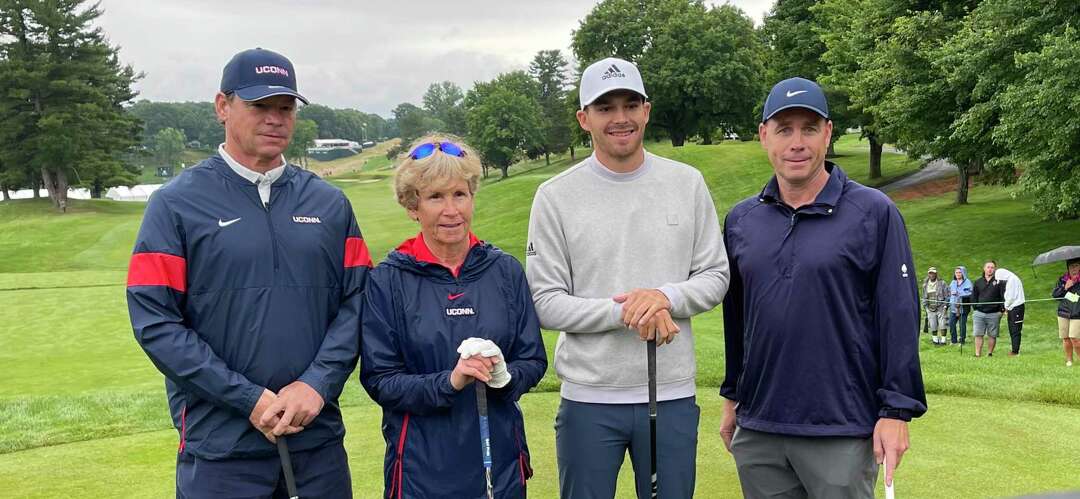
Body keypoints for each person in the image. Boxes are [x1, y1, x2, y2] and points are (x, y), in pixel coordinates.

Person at [126, 48, 369, 497]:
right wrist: (247, 398)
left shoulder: (329, 204)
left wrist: (316, 385)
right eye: (259, 106)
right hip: (220, 447)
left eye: (285, 108)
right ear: (223, 106)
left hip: (315, 442)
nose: (275, 119)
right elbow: (155, 322)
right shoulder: (176, 203)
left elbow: (358, 304)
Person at [525, 57, 729, 499]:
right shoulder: (555, 196)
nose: (620, 118)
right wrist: (626, 311)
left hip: (671, 393)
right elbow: (545, 301)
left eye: (630, 104)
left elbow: (715, 275)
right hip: (588, 399)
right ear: (584, 119)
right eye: (605, 107)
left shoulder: (687, 183)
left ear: (646, 110)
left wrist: (664, 297)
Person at [720, 77, 927, 499]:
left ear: (827, 133)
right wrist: (732, 396)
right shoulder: (741, 221)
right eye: (784, 129)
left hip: (843, 429)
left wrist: (896, 411)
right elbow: (737, 320)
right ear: (764, 136)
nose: (797, 142)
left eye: (809, 128)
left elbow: (899, 316)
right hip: (760, 429)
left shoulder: (873, 212)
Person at [359, 136, 547, 498]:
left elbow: (534, 359)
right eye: (435, 197)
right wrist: (451, 381)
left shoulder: (504, 271)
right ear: (413, 206)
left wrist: (506, 377)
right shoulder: (388, 279)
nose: (451, 210)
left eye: (460, 194)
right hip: (420, 470)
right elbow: (380, 380)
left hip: (500, 465)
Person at [971, 260, 1005, 357]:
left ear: (995, 269)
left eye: (992, 267)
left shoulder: (999, 282)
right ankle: (977, 354)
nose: (990, 269)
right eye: (988, 267)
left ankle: (989, 353)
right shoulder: (978, 282)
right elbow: (973, 296)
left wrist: (1001, 310)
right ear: (984, 268)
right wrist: (976, 307)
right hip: (979, 313)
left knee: (992, 335)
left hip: (994, 313)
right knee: (978, 334)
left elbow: (1003, 296)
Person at [1052, 258, 1080, 367]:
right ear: (1068, 268)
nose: (1074, 269)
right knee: (1066, 338)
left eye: (1076, 266)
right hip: (1063, 312)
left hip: (1077, 313)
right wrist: (1065, 287)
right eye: (1071, 267)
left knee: (1075, 338)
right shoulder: (1063, 279)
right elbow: (1055, 295)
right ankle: (1069, 360)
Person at [994, 267, 1026, 356]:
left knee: (1015, 329)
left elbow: (1010, 296)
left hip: (1016, 308)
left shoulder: (1012, 280)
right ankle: (1014, 349)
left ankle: (1015, 351)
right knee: (1012, 329)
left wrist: (1006, 307)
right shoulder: (1012, 279)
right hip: (1014, 308)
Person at [922, 267, 949, 345]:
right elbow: (924, 296)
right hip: (930, 307)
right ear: (928, 274)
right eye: (930, 273)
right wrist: (926, 307)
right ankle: (935, 340)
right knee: (933, 324)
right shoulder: (925, 284)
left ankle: (943, 341)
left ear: (936, 274)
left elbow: (947, 295)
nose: (932, 275)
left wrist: (945, 306)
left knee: (943, 324)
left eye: (933, 273)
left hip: (941, 306)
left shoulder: (942, 283)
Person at [948, 266, 974, 345]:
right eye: (956, 272)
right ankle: (953, 340)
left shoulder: (967, 282)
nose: (958, 274)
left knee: (962, 325)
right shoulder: (953, 282)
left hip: (963, 307)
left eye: (959, 272)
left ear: (963, 273)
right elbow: (949, 292)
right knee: (951, 324)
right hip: (953, 307)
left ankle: (962, 341)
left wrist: (959, 293)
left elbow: (970, 293)